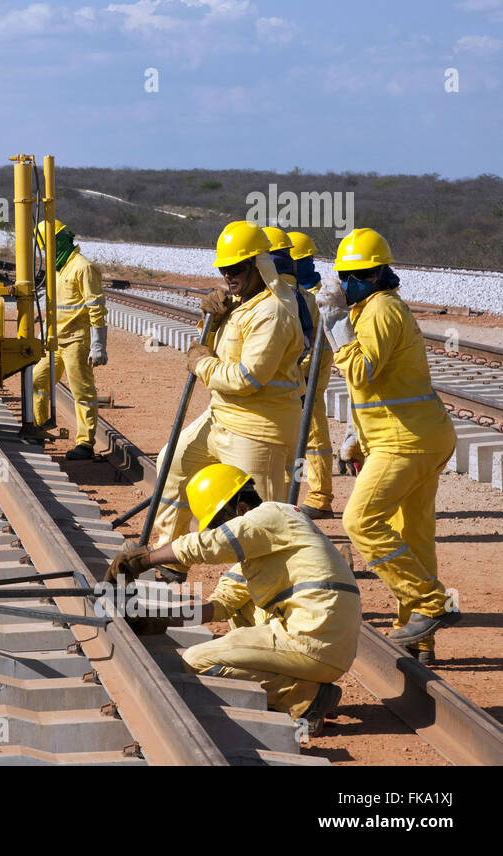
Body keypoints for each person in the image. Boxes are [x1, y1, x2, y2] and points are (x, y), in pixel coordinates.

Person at [106, 464, 358, 731]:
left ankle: (303, 699)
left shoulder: (270, 515)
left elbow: (208, 544)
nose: (215, 531)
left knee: (195, 661)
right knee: (239, 608)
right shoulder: (267, 544)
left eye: (217, 524)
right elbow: (221, 605)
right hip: (326, 645)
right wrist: (157, 619)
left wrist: (145, 559)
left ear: (240, 510)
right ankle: (304, 688)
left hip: (312, 639)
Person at [318, 228, 460, 660]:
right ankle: (418, 637)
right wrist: (357, 438)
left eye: (362, 274)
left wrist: (337, 324)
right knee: (412, 537)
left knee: (360, 522)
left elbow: (360, 373)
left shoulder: (378, 310)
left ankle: (431, 603)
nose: (354, 281)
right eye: (348, 274)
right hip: (418, 436)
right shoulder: (372, 307)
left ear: (381, 272)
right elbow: (377, 389)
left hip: (406, 442)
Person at [151, 221, 304, 581]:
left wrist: (201, 362)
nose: (228, 276)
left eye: (236, 269)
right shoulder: (241, 303)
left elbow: (248, 378)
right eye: (223, 270)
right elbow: (224, 351)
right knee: (172, 462)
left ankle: (268, 597)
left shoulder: (273, 312)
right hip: (220, 415)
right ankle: (172, 556)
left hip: (258, 427)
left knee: (263, 522)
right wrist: (215, 322)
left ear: (258, 266)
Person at [29, 222, 106, 460]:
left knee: (81, 391)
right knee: (38, 379)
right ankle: (40, 428)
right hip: (55, 341)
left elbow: (96, 308)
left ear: (58, 241)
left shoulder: (83, 267)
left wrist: (98, 345)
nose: (44, 251)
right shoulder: (58, 268)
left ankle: (85, 443)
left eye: (46, 245)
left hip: (76, 341)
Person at [287, 231, 335, 519]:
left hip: (310, 373)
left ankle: (320, 498)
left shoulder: (315, 297)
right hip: (305, 371)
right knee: (301, 433)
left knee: (314, 434)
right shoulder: (310, 292)